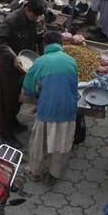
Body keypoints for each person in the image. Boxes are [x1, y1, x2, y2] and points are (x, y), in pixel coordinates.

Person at [0, 0, 46, 144]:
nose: (37, 18)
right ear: (27, 9)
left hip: (26, 65)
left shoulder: (36, 20)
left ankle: (13, 122)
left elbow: (40, 37)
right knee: (4, 102)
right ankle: (5, 133)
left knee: (16, 100)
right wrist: (13, 58)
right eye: (34, 15)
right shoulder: (12, 21)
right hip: (8, 67)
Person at [21, 42, 80, 183]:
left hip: (47, 109)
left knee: (39, 143)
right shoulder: (71, 61)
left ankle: (35, 172)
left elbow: (29, 88)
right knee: (61, 144)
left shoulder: (40, 62)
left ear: (45, 45)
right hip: (68, 109)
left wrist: (36, 92)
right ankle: (53, 176)